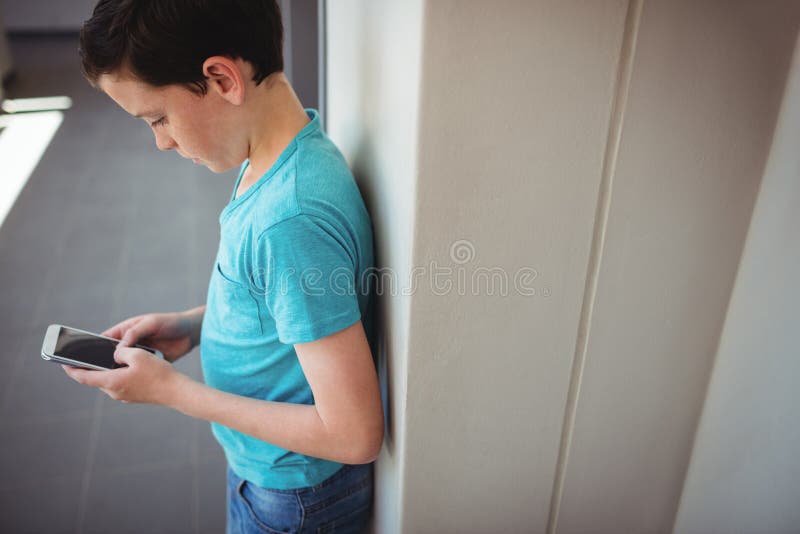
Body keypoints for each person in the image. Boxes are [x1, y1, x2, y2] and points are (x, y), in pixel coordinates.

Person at [62, 1, 383, 532]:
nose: (161, 141)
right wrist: (194, 326)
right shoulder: (285, 156)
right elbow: (286, 305)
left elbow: (353, 433)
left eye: (158, 118)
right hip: (278, 478)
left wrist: (173, 392)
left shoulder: (289, 220)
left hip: (291, 497)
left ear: (220, 78)